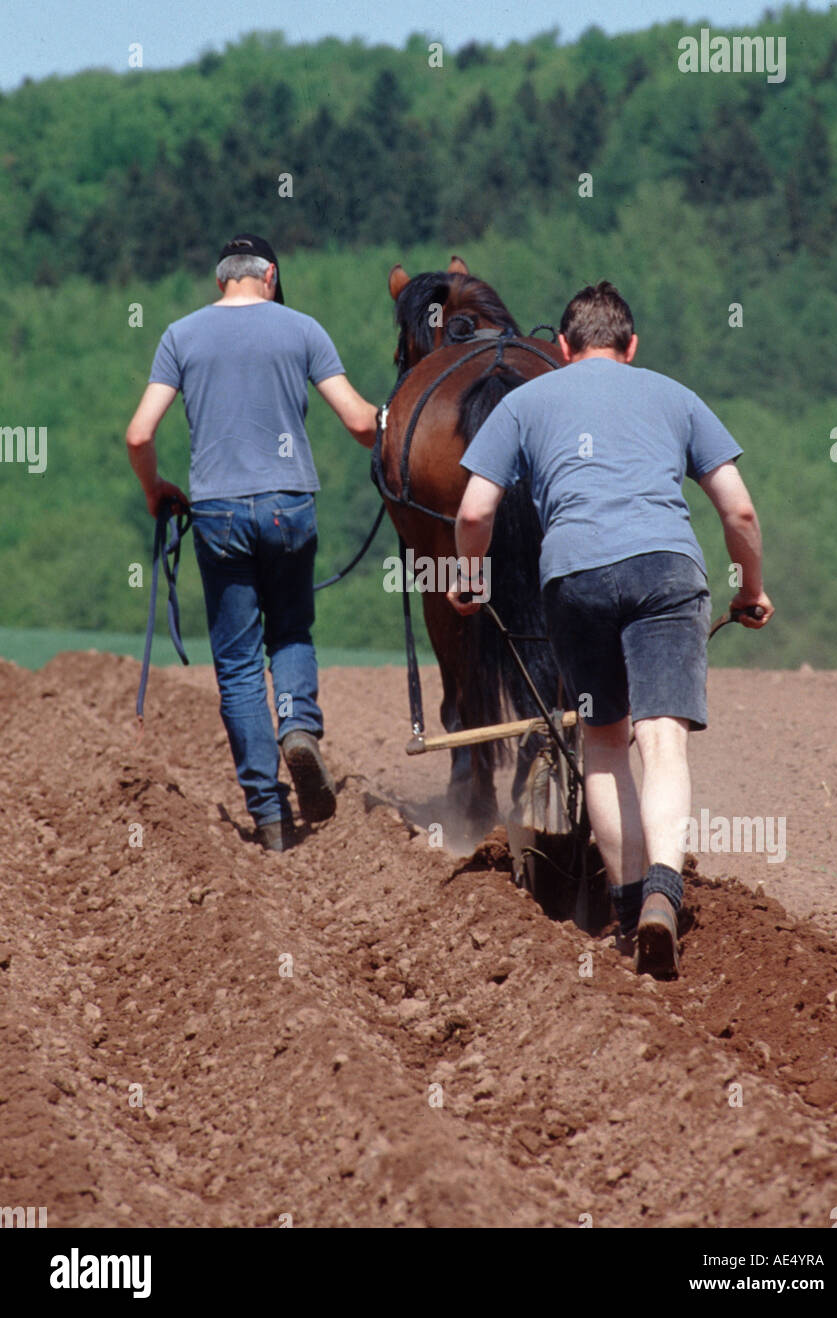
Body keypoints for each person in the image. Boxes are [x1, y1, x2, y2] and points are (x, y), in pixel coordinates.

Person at [447, 281, 773, 978]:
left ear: (561, 349)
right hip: (666, 573)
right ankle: (663, 888)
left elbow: (475, 513)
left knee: (602, 740)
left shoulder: (524, 402)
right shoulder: (673, 395)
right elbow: (739, 512)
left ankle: (627, 911)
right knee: (662, 740)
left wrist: (470, 579)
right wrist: (750, 589)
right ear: (632, 346)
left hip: (575, 579)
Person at [126, 233, 377, 851]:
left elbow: (138, 433)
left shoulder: (181, 336)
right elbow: (360, 423)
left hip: (217, 514)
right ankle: (297, 726)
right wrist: (398, 419)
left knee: (236, 663)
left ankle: (268, 815)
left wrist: (157, 486)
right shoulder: (302, 329)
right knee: (290, 631)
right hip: (289, 507)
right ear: (271, 275)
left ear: (222, 280)